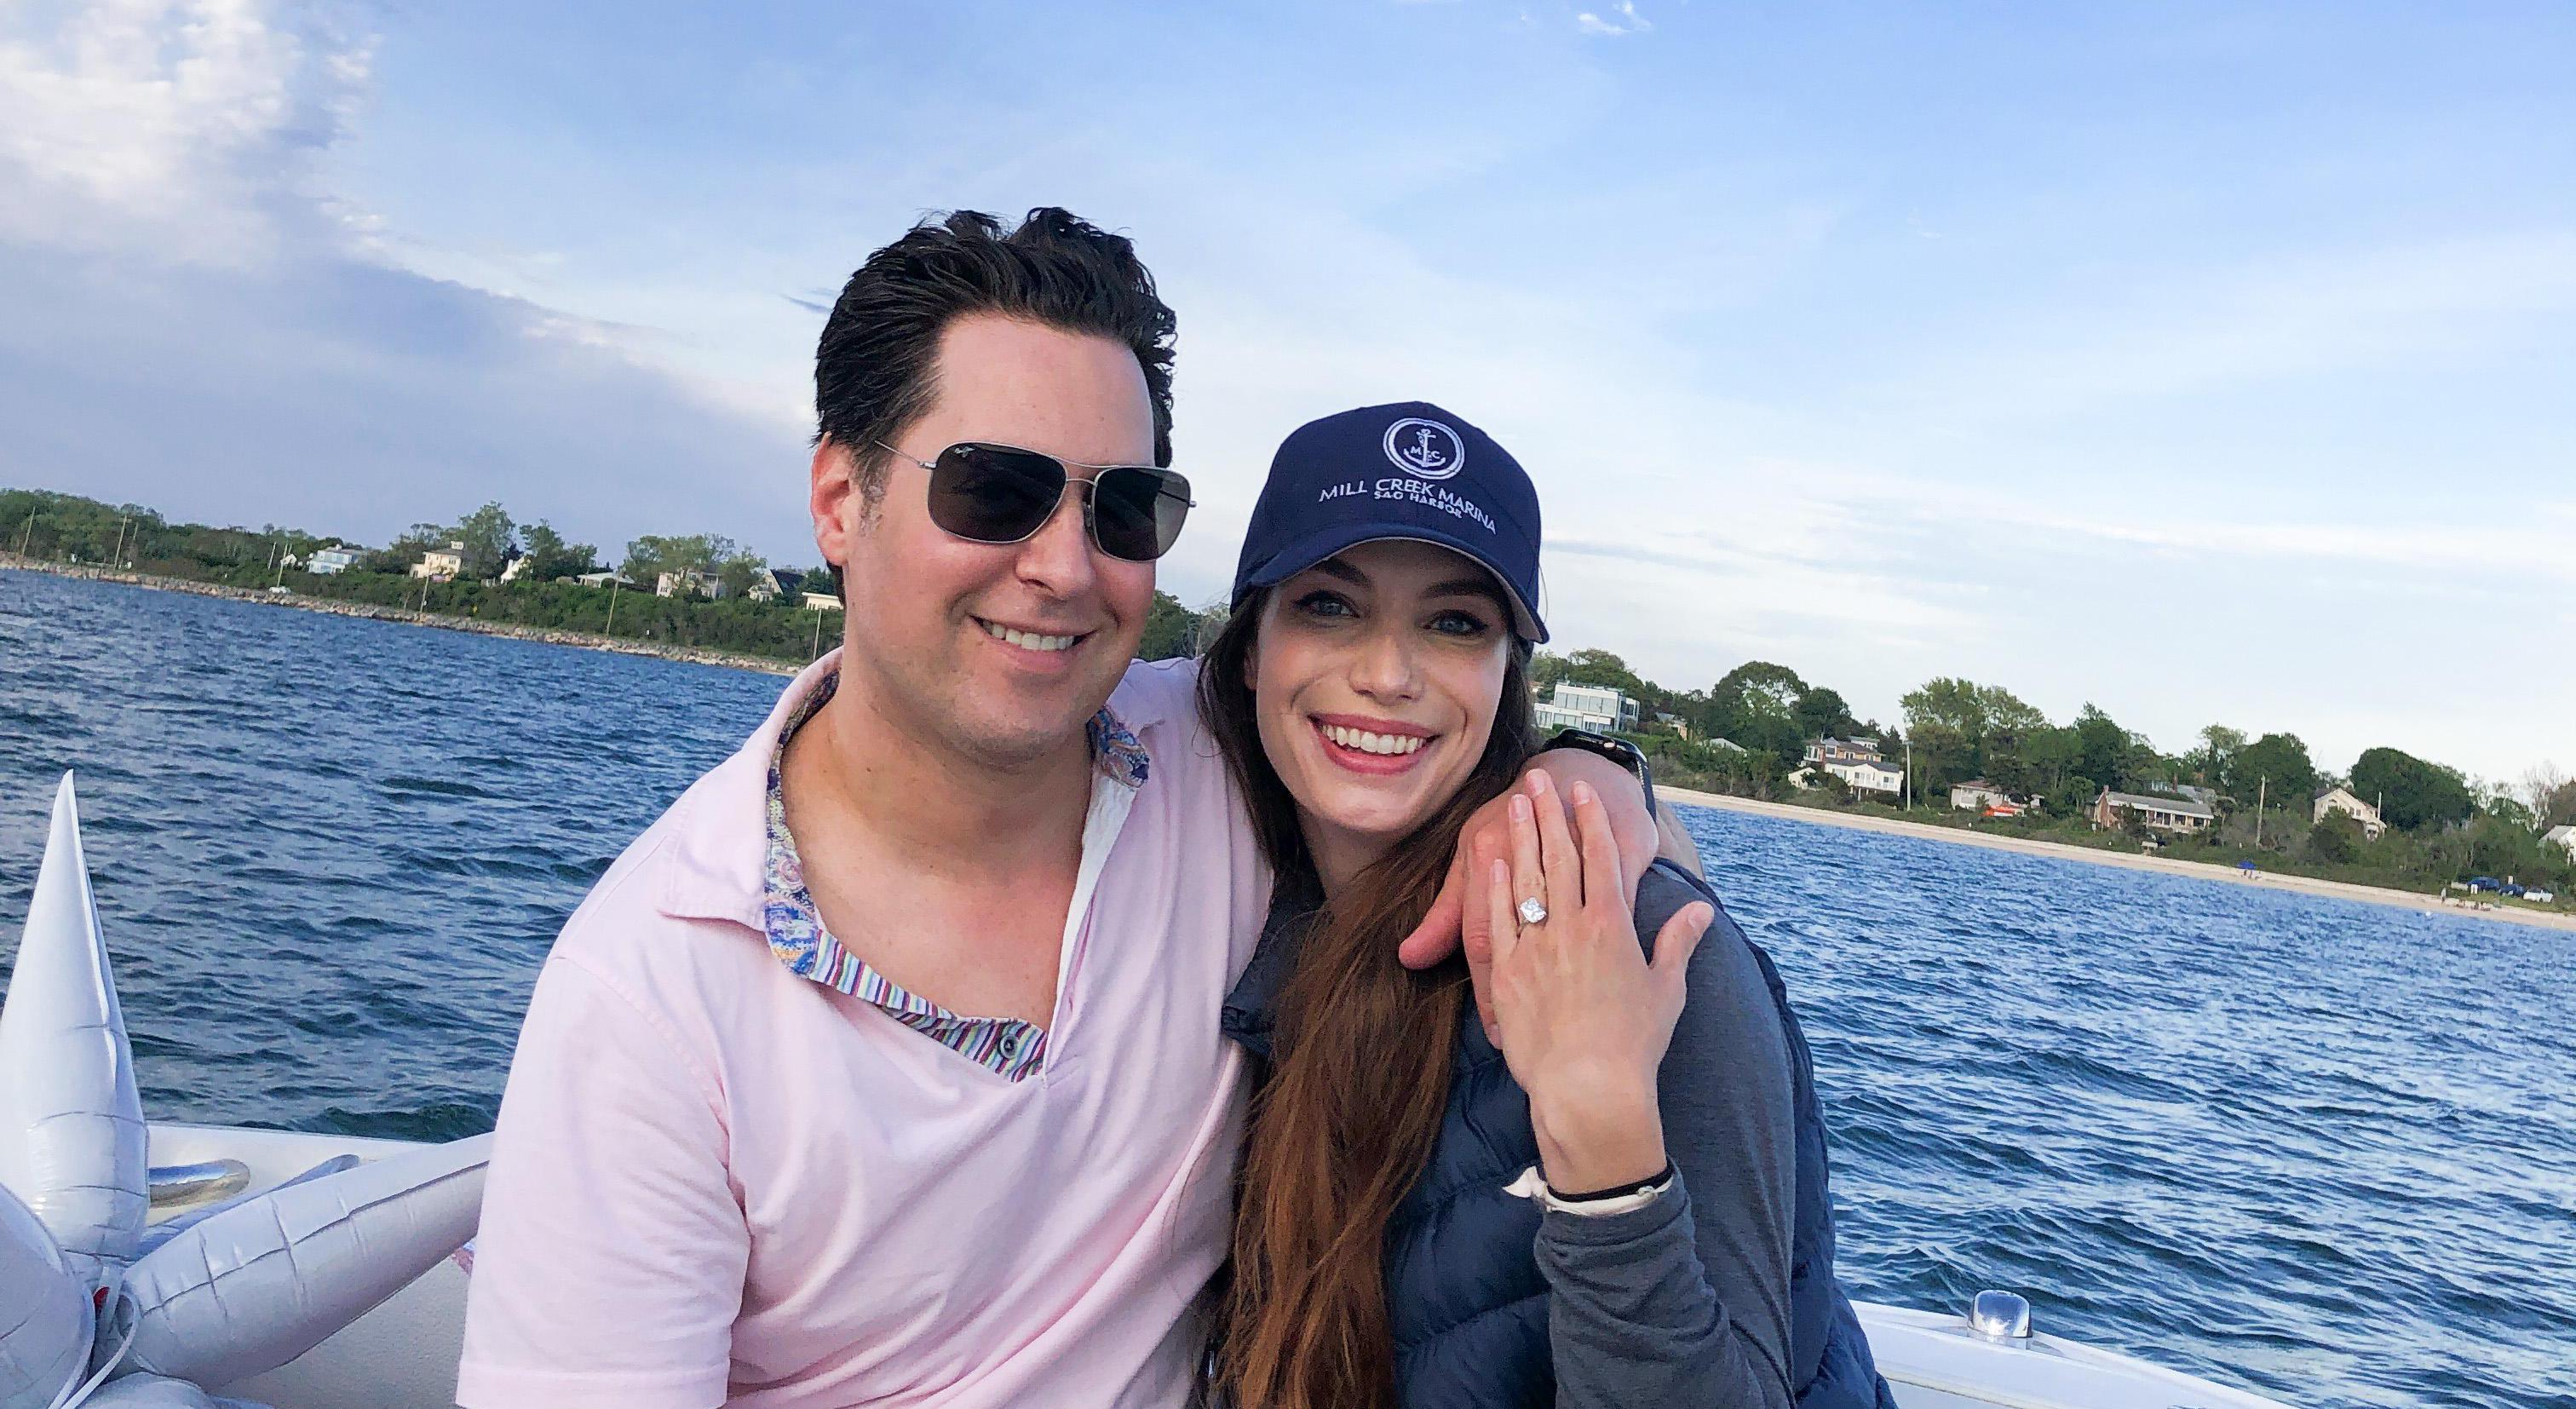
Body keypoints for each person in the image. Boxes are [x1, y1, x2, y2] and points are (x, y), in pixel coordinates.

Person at [457, 210, 1667, 1407]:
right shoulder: (653, 995)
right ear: (838, 498)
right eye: (994, 489)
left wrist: (1585, 775)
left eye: (1121, 507)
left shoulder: (1217, 762)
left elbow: (1408, 728)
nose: (1064, 567)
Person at [1207, 403, 1894, 1409]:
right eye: (1329, 605)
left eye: (1454, 623)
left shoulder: (1648, 942)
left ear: (1507, 675)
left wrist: (1605, 1157)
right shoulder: (1226, 886)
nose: (1387, 674)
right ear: (1249, 644)